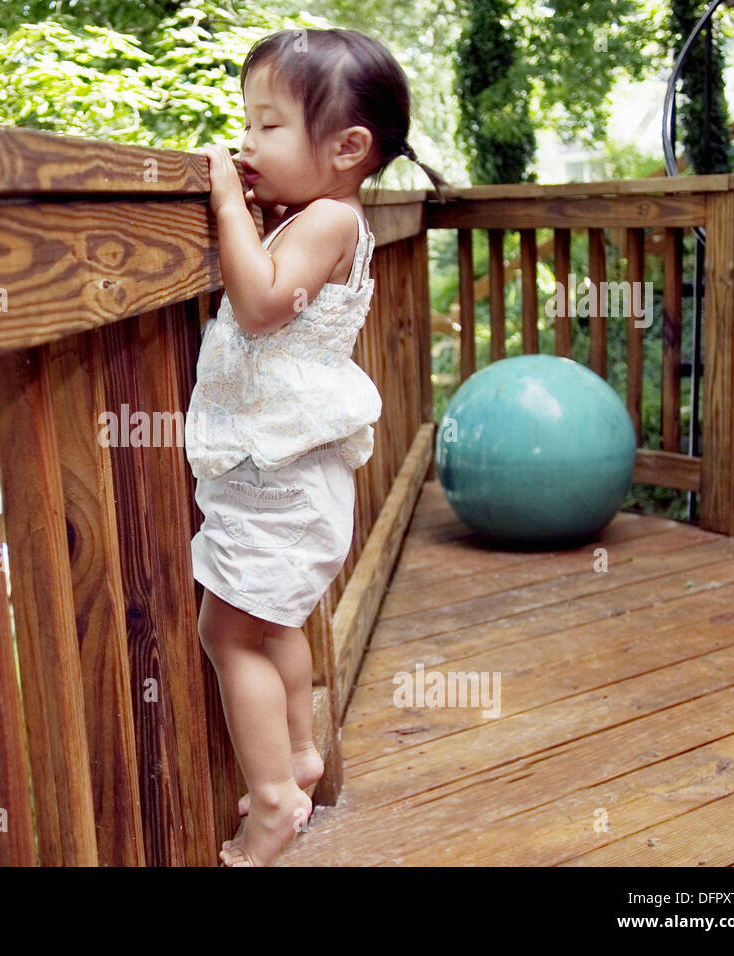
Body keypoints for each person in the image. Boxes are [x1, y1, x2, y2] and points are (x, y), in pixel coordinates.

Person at [187, 27, 451, 867]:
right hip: (290, 482)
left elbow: (262, 305)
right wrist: (264, 213)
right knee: (273, 622)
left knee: (226, 634)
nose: (245, 143)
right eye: (245, 123)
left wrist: (229, 206)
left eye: (268, 127)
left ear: (346, 148)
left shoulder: (331, 218)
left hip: (282, 481)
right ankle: (299, 751)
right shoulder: (326, 216)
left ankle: (272, 803)